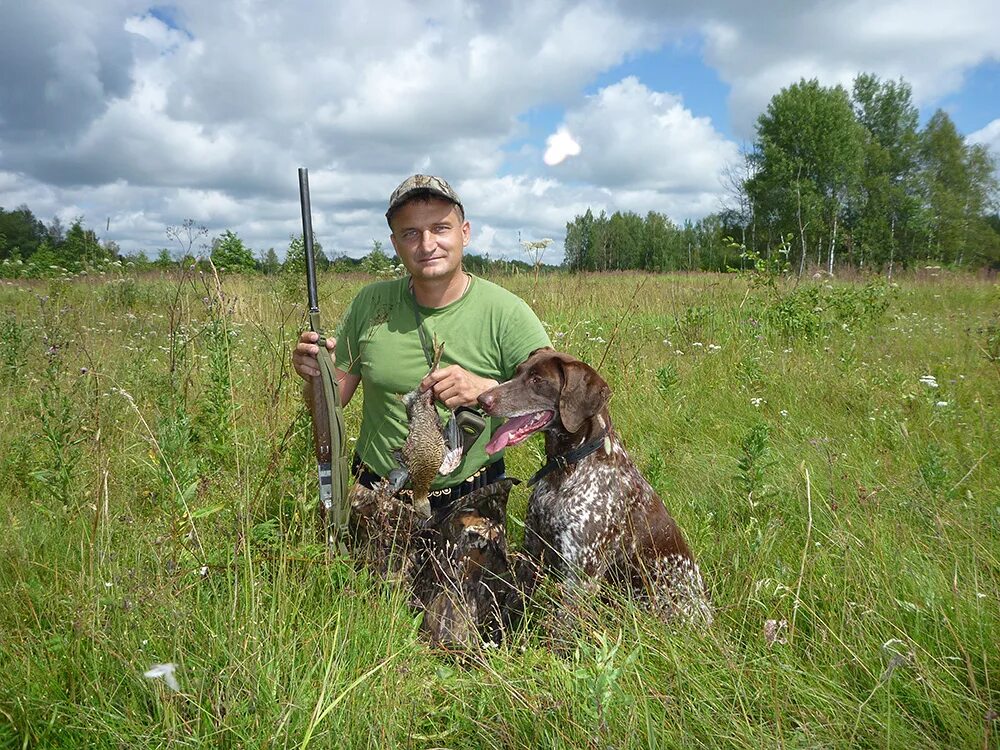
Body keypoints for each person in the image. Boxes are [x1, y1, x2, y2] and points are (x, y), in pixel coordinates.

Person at [292, 174, 551, 512]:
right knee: (358, 567)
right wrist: (316, 376)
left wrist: (488, 390)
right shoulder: (370, 304)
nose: (427, 244)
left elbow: (554, 401)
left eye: (440, 228)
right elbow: (330, 404)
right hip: (378, 493)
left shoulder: (507, 312)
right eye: (410, 233)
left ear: (465, 232)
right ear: (395, 243)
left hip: (471, 497)